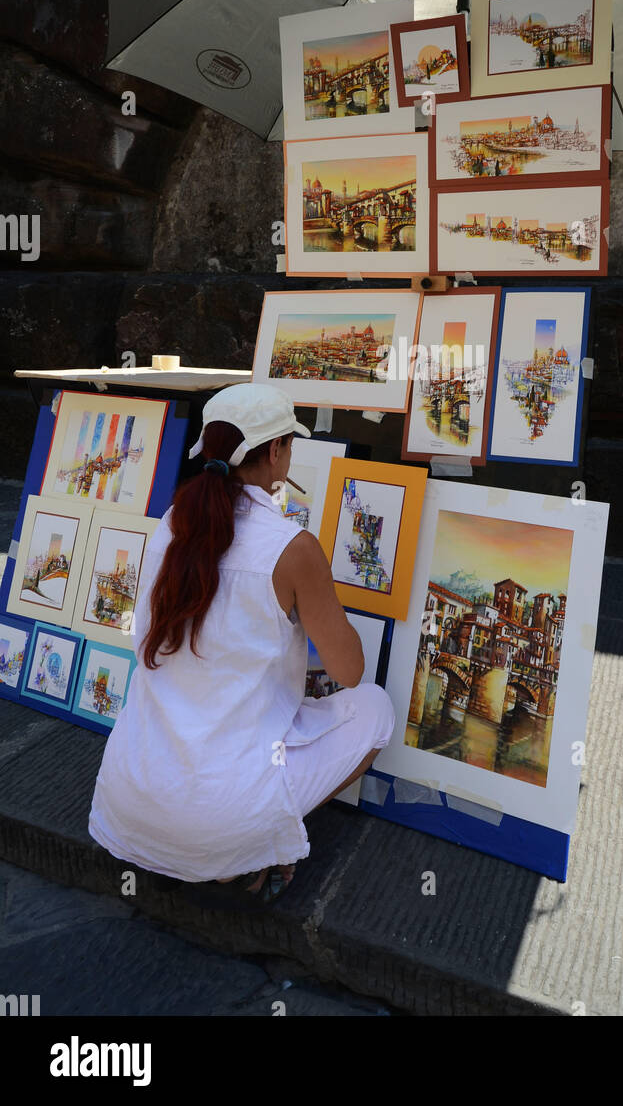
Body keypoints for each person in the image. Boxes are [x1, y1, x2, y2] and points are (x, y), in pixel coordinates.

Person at [88, 384, 395, 907]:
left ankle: (219, 852)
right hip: (219, 819)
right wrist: (317, 595)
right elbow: (350, 671)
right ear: (276, 453)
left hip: (129, 798)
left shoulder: (169, 526)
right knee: (376, 710)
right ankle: (245, 855)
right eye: (289, 445)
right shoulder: (293, 548)